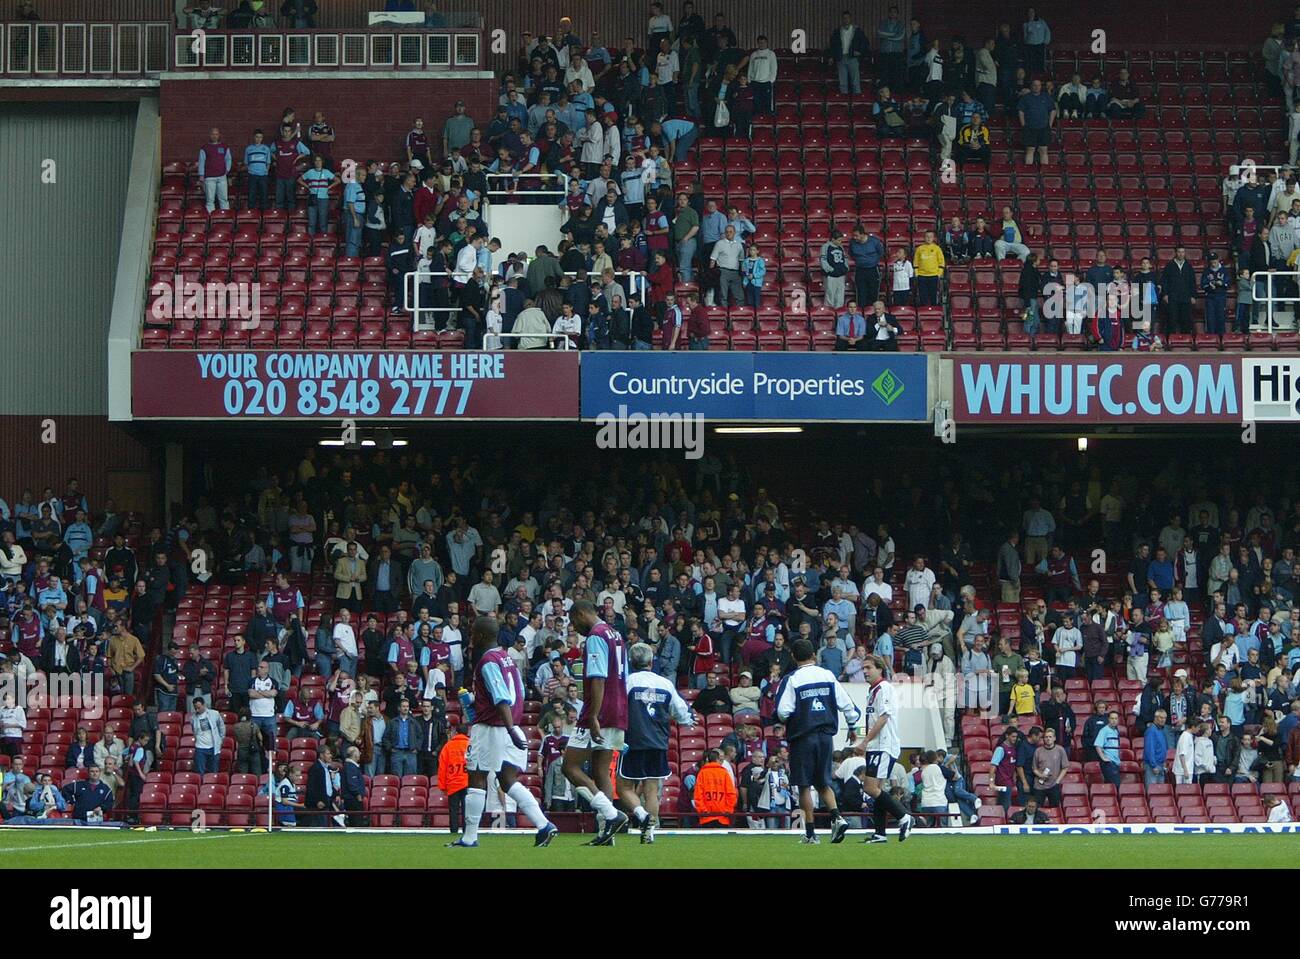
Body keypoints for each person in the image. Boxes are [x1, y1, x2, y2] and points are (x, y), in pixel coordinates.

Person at [450, 614, 557, 848]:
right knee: (508, 780)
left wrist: (509, 728)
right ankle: (543, 824)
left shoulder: (487, 661)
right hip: (512, 726)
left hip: (492, 728)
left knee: (476, 777)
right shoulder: (506, 658)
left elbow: (501, 697)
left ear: (479, 636)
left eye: (472, 633)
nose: (470, 637)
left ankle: (469, 837)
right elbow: (518, 691)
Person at [775, 638, 862, 844]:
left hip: (803, 737)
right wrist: (851, 727)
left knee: (804, 785)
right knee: (823, 782)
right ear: (814, 655)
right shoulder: (828, 675)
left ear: (794, 657)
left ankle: (811, 833)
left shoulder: (792, 679)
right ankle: (837, 817)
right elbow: (848, 706)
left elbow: (782, 711)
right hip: (825, 738)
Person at [561, 601, 629, 845]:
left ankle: (611, 815)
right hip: (619, 710)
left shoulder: (596, 636)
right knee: (601, 770)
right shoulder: (616, 634)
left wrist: (592, 716)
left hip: (599, 712)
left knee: (570, 767)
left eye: (574, 622)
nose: (575, 628)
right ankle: (606, 834)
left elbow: (598, 678)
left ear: (580, 615)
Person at [617, 642, 695, 843]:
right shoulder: (665, 684)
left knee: (624, 788)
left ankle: (642, 817)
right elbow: (681, 713)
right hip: (658, 743)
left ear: (632, 662)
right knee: (652, 791)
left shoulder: (628, 682)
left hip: (633, 742)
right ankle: (649, 831)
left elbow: (617, 709)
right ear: (652, 661)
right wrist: (687, 720)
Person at [857, 653, 915, 842]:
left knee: (870, 787)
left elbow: (884, 717)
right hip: (878, 745)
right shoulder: (873, 691)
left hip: (883, 745)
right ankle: (880, 833)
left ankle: (904, 816)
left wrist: (865, 741)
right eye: (863, 668)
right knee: (879, 789)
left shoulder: (884, 688)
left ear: (879, 669)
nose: (865, 671)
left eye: (868, 668)